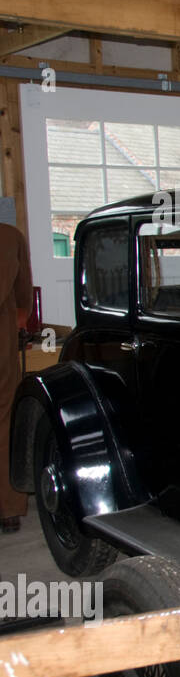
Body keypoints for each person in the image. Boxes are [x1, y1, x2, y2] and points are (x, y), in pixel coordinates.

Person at [1, 221, 33, 533]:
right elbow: (24, 295)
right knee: (5, 420)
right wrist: (18, 324)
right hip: (2, 345)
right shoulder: (10, 236)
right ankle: (9, 507)